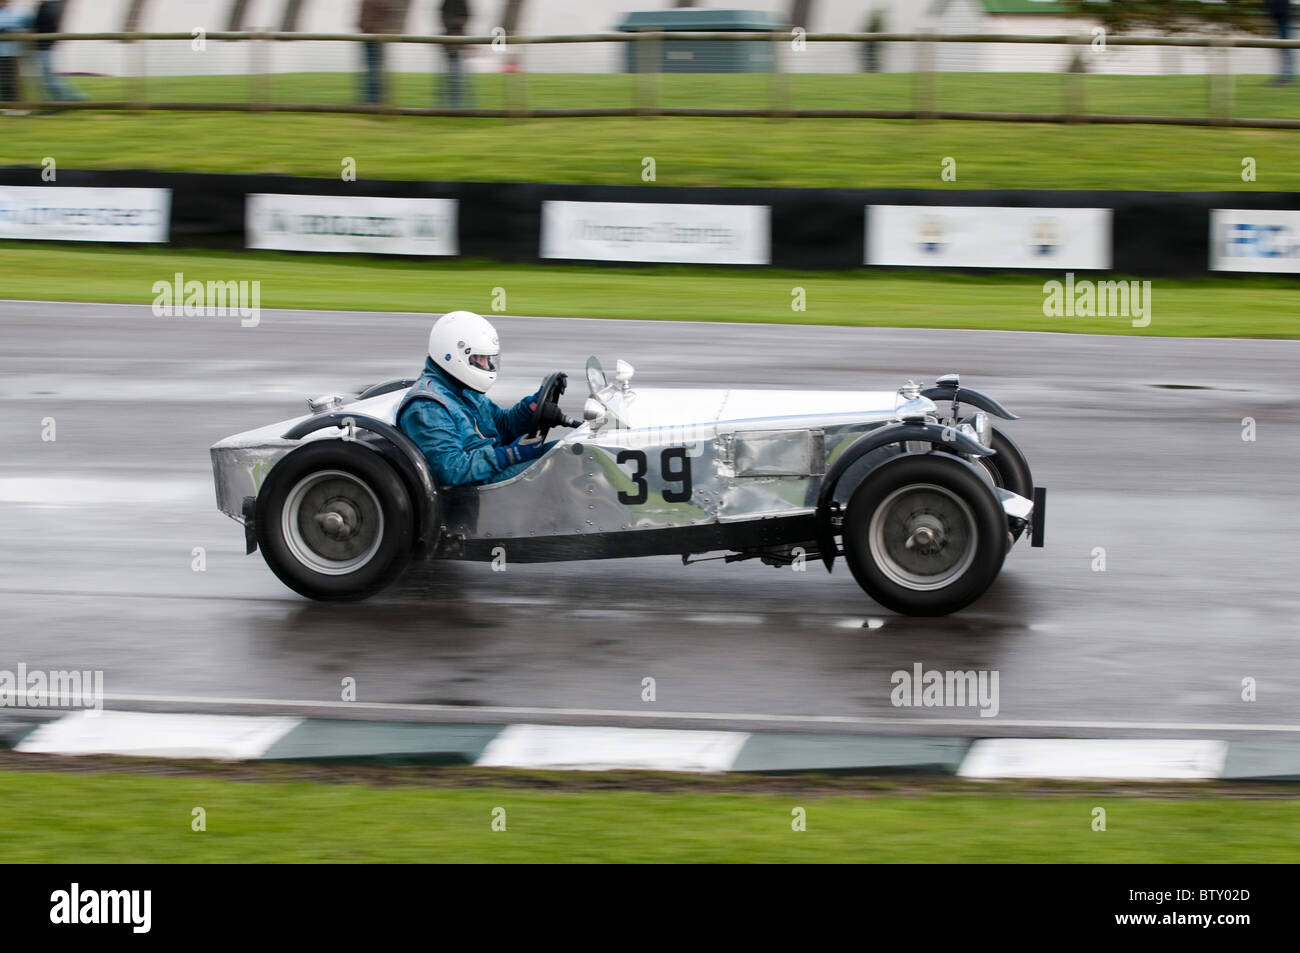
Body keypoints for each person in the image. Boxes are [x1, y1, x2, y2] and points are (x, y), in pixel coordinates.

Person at [396, 311, 569, 487]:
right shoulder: (427, 406)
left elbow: (502, 426)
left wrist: (531, 407)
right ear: (452, 355)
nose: (486, 365)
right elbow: (449, 469)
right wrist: (508, 455)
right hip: (476, 489)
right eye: (479, 358)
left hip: (492, 474)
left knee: (567, 450)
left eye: (488, 359)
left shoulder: (463, 390)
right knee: (566, 464)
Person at [34, 0, 83, 103]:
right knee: (50, 78)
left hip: (46, 46)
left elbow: (45, 25)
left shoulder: (47, 6)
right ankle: (74, 97)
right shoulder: (53, 5)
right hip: (47, 46)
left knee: (49, 79)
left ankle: (63, 100)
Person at [0, 0, 34, 113]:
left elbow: (29, 22)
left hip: (10, 53)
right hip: (3, 53)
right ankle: (6, 105)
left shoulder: (16, 13)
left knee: (12, 80)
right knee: (3, 80)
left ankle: (18, 107)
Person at [439, 0, 472, 108]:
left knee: (456, 74)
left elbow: (464, 17)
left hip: (457, 42)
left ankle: (456, 104)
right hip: (451, 42)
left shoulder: (458, 2)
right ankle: (455, 104)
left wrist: (452, 23)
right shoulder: (449, 2)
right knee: (455, 74)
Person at [358, 0, 392, 105]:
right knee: (373, 67)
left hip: (373, 33)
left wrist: (367, 27)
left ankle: (374, 100)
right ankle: (374, 99)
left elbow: (382, 10)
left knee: (374, 68)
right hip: (370, 33)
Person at [1266, 0, 1293, 86]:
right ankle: (1284, 77)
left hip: (1282, 17)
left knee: (1285, 48)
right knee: (1283, 49)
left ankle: (1285, 78)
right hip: (1280, 17)